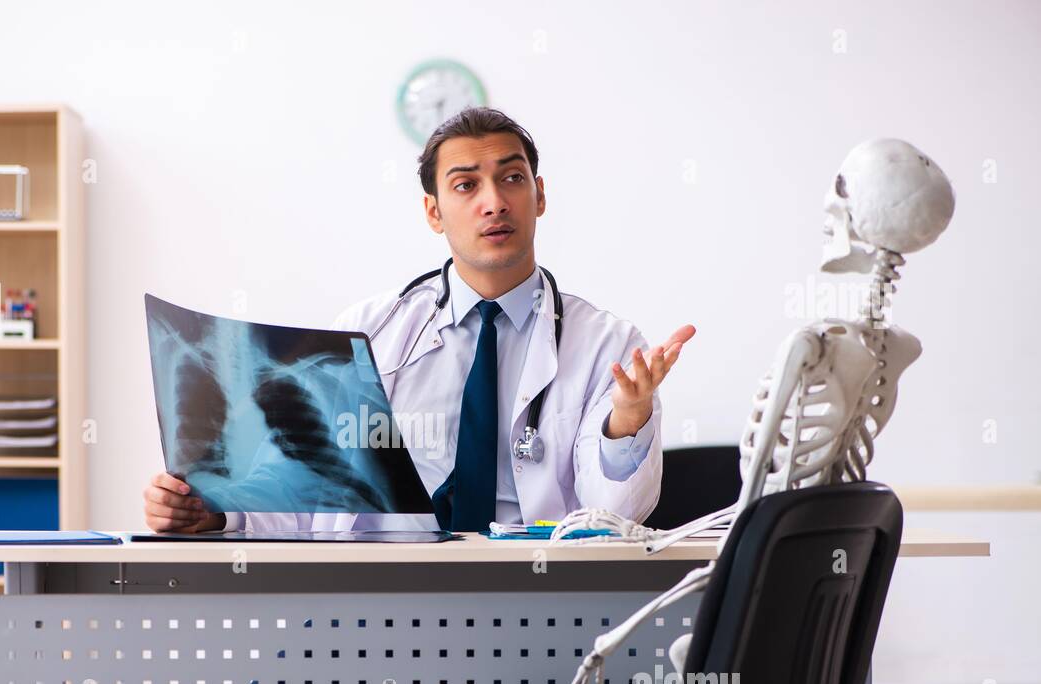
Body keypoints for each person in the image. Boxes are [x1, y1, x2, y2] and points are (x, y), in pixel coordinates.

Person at [143, 107, 694, 534]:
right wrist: (214, 514)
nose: (494, 202)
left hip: (539, 589)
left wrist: (627, 418)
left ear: (539, 195)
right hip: (394, 595)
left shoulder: (609, 345)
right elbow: (313, 489)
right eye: (465, 185)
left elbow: (616, 515)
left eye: (512, 179)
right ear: (434, 211)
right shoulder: (371, 332)